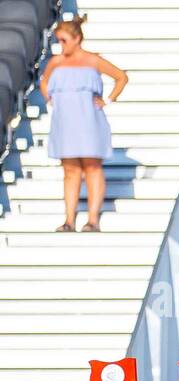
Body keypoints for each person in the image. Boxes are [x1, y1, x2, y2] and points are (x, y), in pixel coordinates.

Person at [40, 16, 127, 233]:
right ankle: (69, 219)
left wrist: (107, 100)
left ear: (77, 38)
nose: (61, 45)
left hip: (88, 119)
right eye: (59, 41)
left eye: (64, 40)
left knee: (91, 166)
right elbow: (44, 81)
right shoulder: (56, 62)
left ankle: (92, 219)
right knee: (70, 169)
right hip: (65, 121)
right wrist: (51, 99)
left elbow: (121, 77)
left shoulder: (92, 60)